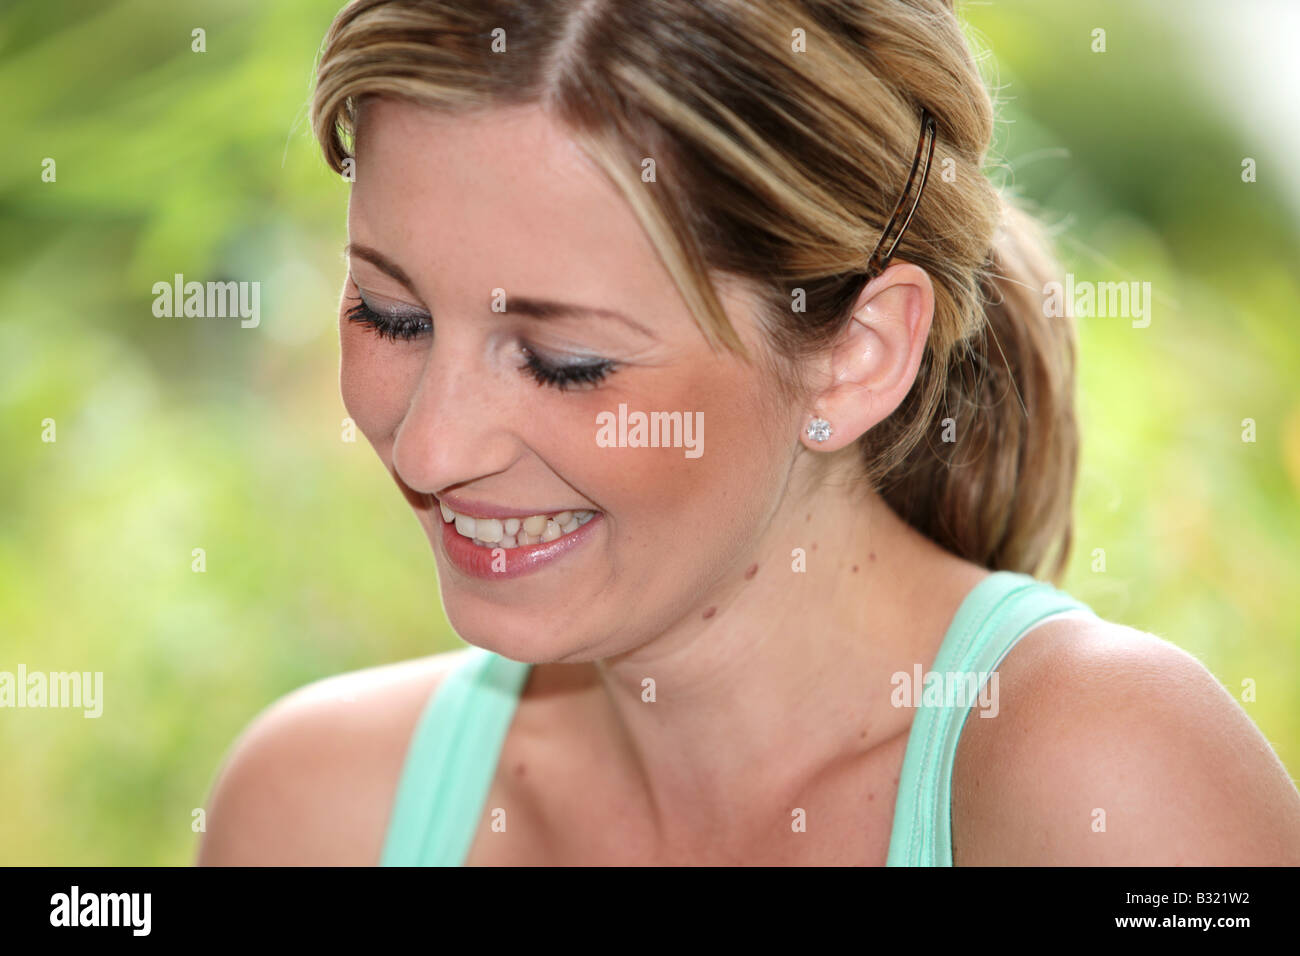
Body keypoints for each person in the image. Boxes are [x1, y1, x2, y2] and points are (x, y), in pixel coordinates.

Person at [197, 0, 1300, 865]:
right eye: (389, 315)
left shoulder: (1113, 787)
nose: (430, 449)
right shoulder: (315, 814)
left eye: (567, 360)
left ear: (857, 349)